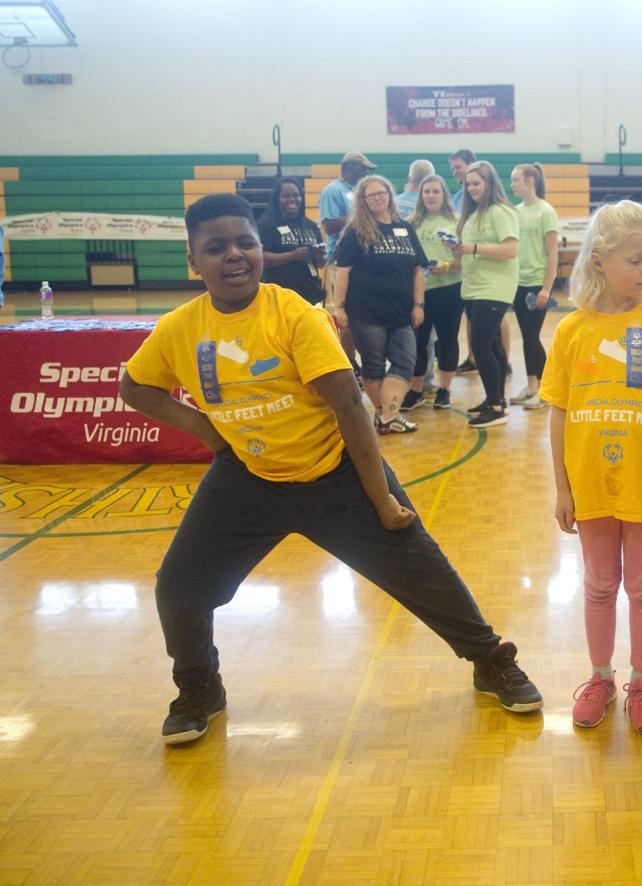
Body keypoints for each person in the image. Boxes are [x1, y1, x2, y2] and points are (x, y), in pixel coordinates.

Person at [117, 193, 543, 745]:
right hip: (250, 476)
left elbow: (349, 406)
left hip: (337, 471)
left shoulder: (293, 313)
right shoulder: (180, 328)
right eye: (216, 247)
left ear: (261, 249)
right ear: (192, 261)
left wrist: (384, 501)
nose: (235, 255)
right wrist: (203, 428)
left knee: (421, 566)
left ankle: (490, 660)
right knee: (179, 587)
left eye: (245, 242)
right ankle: (198, 686)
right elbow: (135, 387)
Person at [540, 200, 642, 735]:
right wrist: (562, 487)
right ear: (600, 260)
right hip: (590, 484)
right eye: (637, 260)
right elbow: (558, 415)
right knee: (600, 583)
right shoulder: (570, 330)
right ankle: (601, 676)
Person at [330, 175, 426, 434]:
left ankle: (386, 416)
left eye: (382, 193)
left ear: (390, 195)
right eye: (371, 195)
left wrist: (419, 304)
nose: (378, 198)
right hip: (366, 312)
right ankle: (388, 417)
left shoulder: (404, 228)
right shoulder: (355, 232)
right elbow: (343, 272)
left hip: (401, 311)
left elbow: (418, 270)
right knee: (373, 365)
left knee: (405, 361)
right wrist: (339, 307)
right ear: (363, 200)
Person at [449, 160, 519, 428]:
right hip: (474, 286)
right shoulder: (472, 213)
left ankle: (496, 406)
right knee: (491, 345)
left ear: (489, 183)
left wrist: (473, 248)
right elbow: (469, 249)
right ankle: (496, 397)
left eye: (476, 183)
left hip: (495, 287)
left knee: (480, 345)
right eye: (468, 184)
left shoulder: (501, 211)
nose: (471, 188)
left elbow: (510, 250)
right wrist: (457, 251)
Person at [402, 174, 463, 412]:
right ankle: (416, 391)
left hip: (450, 289)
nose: (430, 195)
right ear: (421, 195)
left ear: (444, 194)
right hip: (419, 292)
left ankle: (444, 390)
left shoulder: (457, 222)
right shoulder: (411, 223)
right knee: (418, 342)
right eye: (426, 191)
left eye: (435, 191)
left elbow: (465, 260)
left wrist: (446, 266)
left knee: (448, 340)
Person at [508, 163, 559, 411]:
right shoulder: (515, 211)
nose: (511, 184)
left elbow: (552, 254)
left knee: (531, 337)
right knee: (526, 338)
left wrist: (546, 289)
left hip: (538, 284)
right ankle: (531, 386)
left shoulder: (546, 212)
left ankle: (547, 389)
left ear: (530, 180)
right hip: (518, 283)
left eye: (515, 180)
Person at [319, 151, 375, 368]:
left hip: (362, 258)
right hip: (341, 259)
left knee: (359, 311)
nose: (366, 173)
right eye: (363, 169)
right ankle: (348, 362)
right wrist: (362, 218)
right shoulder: (333, 191)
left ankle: (358, 361)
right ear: (350, 167)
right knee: (346, 314)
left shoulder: (357, 191)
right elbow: (330, 225)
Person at [257, 177, 326, 305]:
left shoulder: (310, 225)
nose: (292, 200)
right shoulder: (267, 224)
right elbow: (260, 258)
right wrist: (293, 256)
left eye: (296, 195)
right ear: (277, 199)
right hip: (281, 297)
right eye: (286, 196)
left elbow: (321, 264)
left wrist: (320, 256)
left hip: (310, 294)